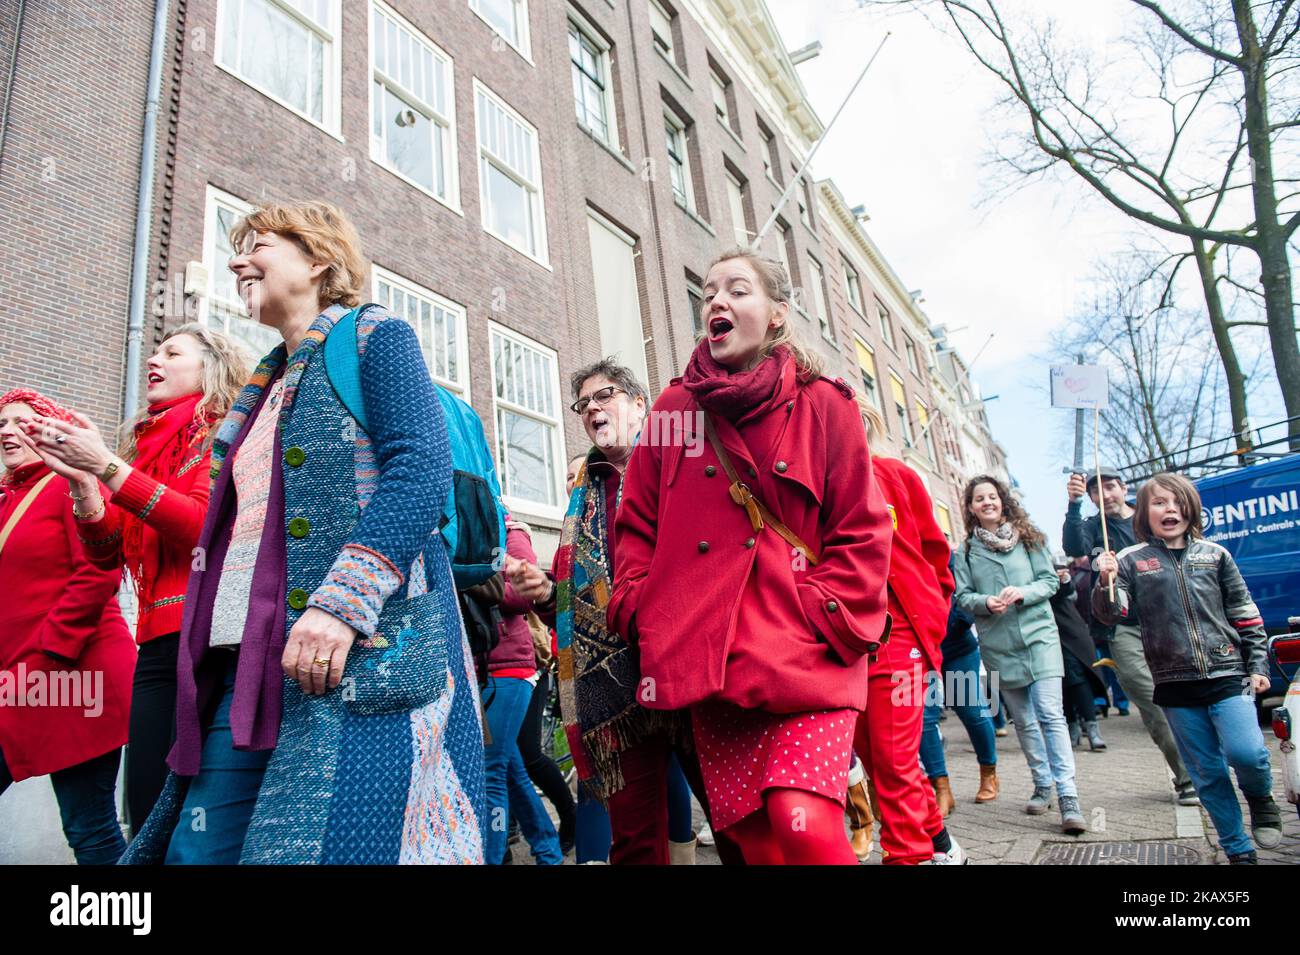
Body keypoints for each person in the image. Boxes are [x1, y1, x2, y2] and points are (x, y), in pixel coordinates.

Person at [121, 200, 485, 864]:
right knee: (195, 852)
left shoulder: (376, 336)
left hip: (352, 659)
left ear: (318, 260)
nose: (237, 260)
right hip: (244, 668)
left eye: (257, 243)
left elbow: (421, 466)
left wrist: (341, 603)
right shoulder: (258, 392)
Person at [608, 249, 893, 865]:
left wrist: (821, 610)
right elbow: (634, 524)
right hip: (706, 660)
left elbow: (863, 530)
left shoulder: (825, 404)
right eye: (709, 292)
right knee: (757, 846)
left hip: (806, 656)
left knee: (804, 826)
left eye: (738, 290)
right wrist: (640, 607)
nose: (717, 301)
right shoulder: (673, 410)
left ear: (777, 315)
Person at [22, 324, 251, 835]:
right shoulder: (145, 448)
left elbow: (198, 526)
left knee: (187, 815)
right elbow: (107, 558)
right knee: (145, 810)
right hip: (152, 641)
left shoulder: (222, 434)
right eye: (155, 349)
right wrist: (84, 484)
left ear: (210, 369)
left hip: (205, 638)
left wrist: (104, 467)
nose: (155, 358)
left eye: (173, 352)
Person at [507, 360, 732, 865]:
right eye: (582, 404)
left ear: (638, 403)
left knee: (732, 819)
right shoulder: (583, 498)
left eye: (603, 396)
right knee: (632, 841)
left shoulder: (685, 461)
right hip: (613, 696)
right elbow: (572, 604)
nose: (591, 409)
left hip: (693, 672)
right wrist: (544, 590)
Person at [1095, 472, 1281, 864]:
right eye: (1159, 502)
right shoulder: (1131, 561)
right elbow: (1113, 614)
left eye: (1177, 501)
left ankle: (1262, 799)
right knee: (1207, 773)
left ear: (1190, 508)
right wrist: (1105, 581)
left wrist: (1258, 662)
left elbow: (1246, 613)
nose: (1170, 509)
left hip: (1231, 675)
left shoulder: (1216, 555)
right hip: (1174, 684)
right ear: (1144, 512)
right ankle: (1237, 849)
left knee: (1247, 753)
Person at [0, 390, 136, 864]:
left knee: (89, 825)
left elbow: (100, 570)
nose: (5, 430)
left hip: (78, 675)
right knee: (90, 823)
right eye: (2, 422)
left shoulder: (69, 484)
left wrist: (51, 649)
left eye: (20, 421)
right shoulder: (10, 496)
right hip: (26, 678)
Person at [853, 404, 966, 864]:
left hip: (900, 640)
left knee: (896, 765)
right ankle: (942, 843)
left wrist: (928, 620)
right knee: (879, 764)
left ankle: (909, 855)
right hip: (847, 648)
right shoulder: (810, 490)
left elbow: (937, 558)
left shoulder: (896, 475)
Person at [955, 475, 1087, 835]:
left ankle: (1068, 794)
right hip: (999, 643)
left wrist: (1023, 592)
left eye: (992, 497)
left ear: (1002, 501)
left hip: (1039, 637)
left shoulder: (1030, 538)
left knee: (1049, 713)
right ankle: (1041, 782)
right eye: (979, 498)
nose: (987, 503)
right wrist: (985, 602)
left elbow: (1049, 581)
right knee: (1024, 720)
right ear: (970, 508)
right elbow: (962, 596)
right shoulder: (964, 552)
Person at [1064, 467, 1196, 805]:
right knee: (1154, 702)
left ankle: (1206, 766)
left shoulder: (1150, 519)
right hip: (1121, 626)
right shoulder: (1094, 529)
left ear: (1124, 488)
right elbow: (1073, 545)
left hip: (1168, 620)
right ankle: (1186, 779)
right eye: (1097, 491)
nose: (1105, 495)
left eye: (1110, 487)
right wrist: (1075, 504)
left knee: (1188, 697)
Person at [482, 516, 563, 865]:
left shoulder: (510, 532)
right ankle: (548, 851)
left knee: (493, 768)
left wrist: (473, 580)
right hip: (480, 667)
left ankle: (495, 856)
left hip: (510, 666)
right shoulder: (465, 527)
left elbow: (521, 597)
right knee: (512, 770)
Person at [919, 566, 1001, 811]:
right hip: (920, 647)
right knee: (925, 718)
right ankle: (942, 789)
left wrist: (959, 618)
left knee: (971, 711)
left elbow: (963, 585)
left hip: (955, 645)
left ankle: (989, 773)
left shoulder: (937, 541)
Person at [1048, 556, 1107, 751]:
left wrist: (1063, 579)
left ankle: (1091, 729)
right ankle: (1073, 728)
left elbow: (1063, 589)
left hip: (1070, 636)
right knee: (1060, 686)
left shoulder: (1051, 570)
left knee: (1078, 680)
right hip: (1048, 638)